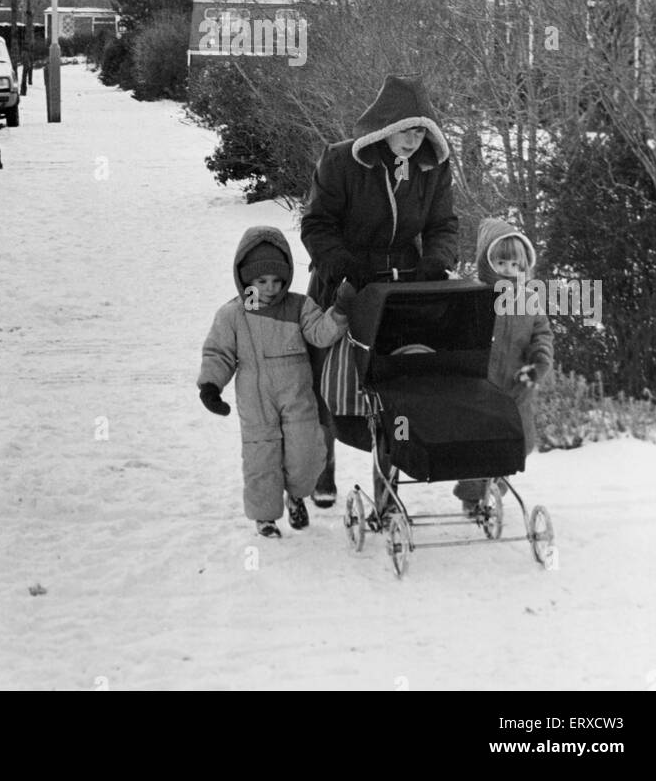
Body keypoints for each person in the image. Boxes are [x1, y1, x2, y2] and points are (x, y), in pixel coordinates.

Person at [300, 74, 459, 506]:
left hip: (401, 287)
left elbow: (443, 225)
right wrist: (340, 266)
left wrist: (435, 263)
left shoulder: (432, 167)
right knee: (323, 383)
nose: (415, 139)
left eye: (423, 130)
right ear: (386, 126)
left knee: (393, 386)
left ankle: (386, 492)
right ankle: (322, 467)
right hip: (343, 284)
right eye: (408, 129)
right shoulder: (340, 162)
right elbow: (316, 224)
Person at [197, 226, 352, 538]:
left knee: (306, 455)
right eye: (261, 281)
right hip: (257, 404)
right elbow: (218, 353)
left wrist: (339, 312)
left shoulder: (299, 307)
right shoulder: (233, 314)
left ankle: (297, 495)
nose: (270, 288)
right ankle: (265, 518)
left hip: (297, 398)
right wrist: (211, 387)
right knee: (262, 460)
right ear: (245, 278)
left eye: (277, 281)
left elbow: (320, 334)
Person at [452, 217, 554, 515]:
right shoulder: (475, 297)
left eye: (516, 265)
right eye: (502, 263)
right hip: (480, 386)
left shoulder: (530, 300)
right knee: (476, 446)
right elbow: (458, 334)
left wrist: (539, 362)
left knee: (515, 445)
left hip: (516, 387)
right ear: (487, 262)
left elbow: (541, 335)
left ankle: (496, 485)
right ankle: (472, 496)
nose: (510, 271)